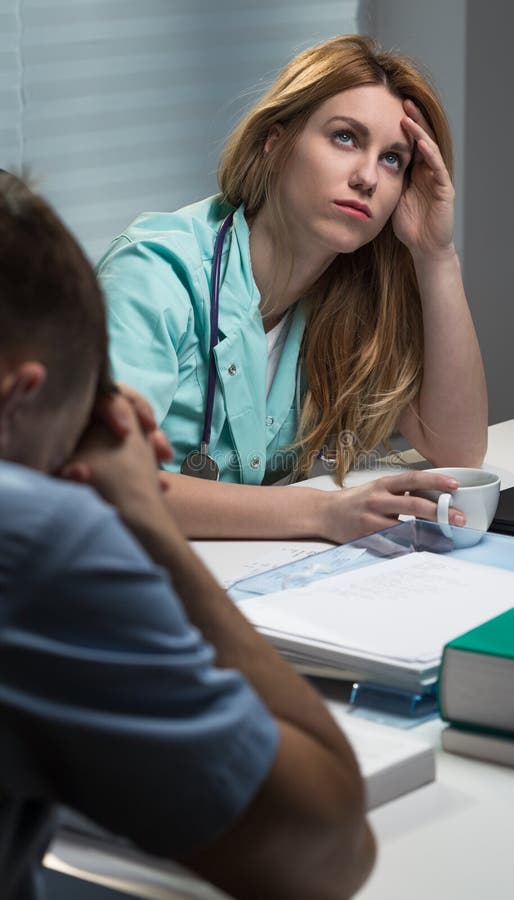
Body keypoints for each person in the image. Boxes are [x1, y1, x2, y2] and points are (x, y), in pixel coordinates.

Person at [0, 170, 375, 900]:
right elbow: (326, 851)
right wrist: (144, 516)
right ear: (21, 397)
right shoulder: (31, 535)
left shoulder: (337, 294)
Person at [98, 33, 488, 542]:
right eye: (346, 137)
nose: (368, 177)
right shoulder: (154, 272)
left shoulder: (356, 295)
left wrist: (436, 255)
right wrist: (322, 513)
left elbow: (459, 451)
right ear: (276, 141)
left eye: (393, 158)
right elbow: (107, 482)